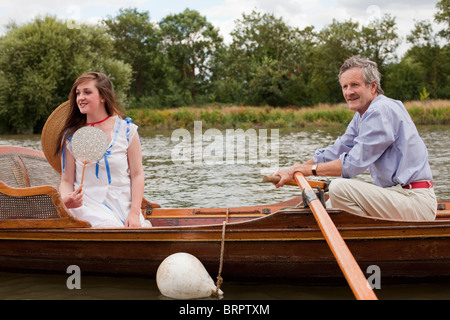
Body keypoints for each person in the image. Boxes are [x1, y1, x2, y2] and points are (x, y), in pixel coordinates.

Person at [274, 56, 437, 221]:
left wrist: (310, 170)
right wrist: (295, 169)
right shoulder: (363, 114)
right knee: (323, 211)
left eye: (354, 85)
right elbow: (340, 148)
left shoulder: (380, 110)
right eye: (344, 86)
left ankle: (369, 238)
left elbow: (353, 164)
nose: (348, 92)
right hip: (396, 196)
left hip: (414, 200)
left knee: (338, 188)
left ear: (373, 86)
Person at [56, 72, 151, 227]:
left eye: (87, 92)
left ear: (103, 96)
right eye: (78, 93)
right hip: (87, 207)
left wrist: (134, 213)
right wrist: (68, 199)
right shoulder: (70, 137)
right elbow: (66, 180)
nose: (80, 97)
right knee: (111, 227)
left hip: (124, 206)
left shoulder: (127, 131)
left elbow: (137, 174)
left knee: (137, 229)